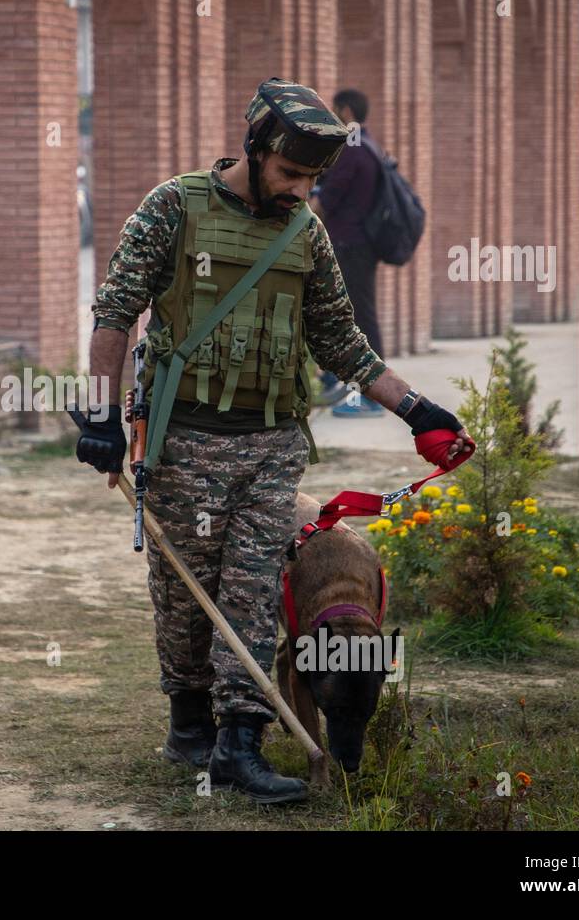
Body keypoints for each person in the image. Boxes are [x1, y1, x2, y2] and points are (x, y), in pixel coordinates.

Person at [78, 77, 471, 804]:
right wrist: (101, 416)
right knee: (184, 600)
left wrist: (418, 410)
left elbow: (342, 342)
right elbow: (115, 311)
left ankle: (240, 744)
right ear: (256, 149)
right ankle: (189, 722)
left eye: (312, 179)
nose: (300, 190)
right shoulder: (174, 207)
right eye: (290, 174)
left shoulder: (306, 233)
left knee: (254, 593)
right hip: (184, 443)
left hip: (271, 445)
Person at [309, 88, 385, 417]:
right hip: (358, 246)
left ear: (347, 111)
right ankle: (336, 382)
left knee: (359, 319)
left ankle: (369, 397)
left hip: (351, 247)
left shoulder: (352, 149)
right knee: (350, 316)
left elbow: (324, 201)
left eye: (335, 110)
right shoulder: (367, 146)